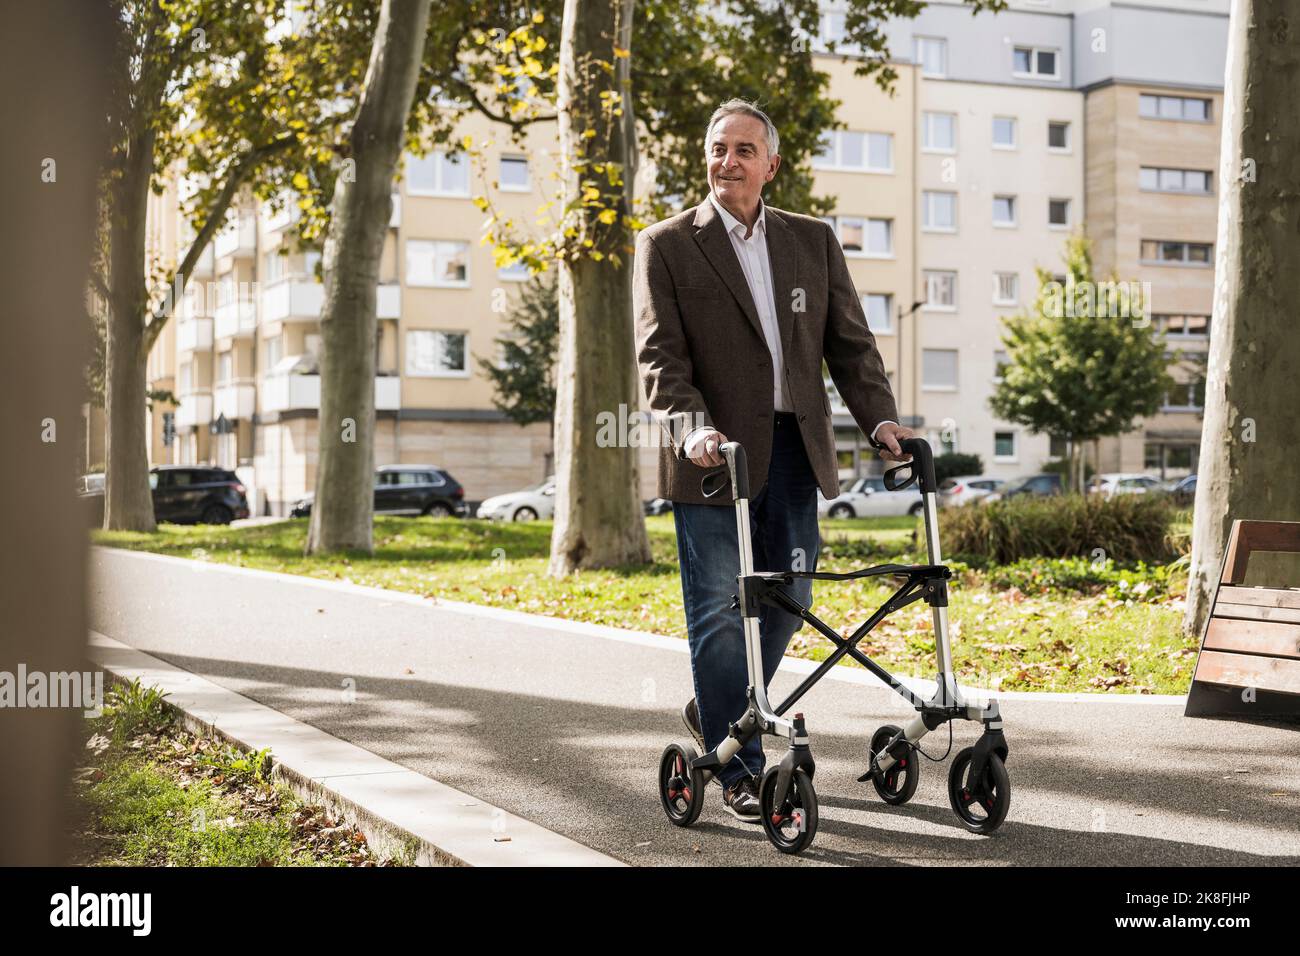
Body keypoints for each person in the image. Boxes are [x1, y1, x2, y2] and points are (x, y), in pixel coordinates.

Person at [634, 99, 914, 821]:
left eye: (743, 150)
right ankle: (741, 769)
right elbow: (660, 358)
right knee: (723, 610)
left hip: (794, 448)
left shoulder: (811, 241)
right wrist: (689, 427)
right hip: (713, 459)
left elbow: (850, 344)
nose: (727, 161)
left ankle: (721, 706)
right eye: (717, 148)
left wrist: (881, 420)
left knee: (792, 596)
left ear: (771, 164)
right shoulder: (666, 244)